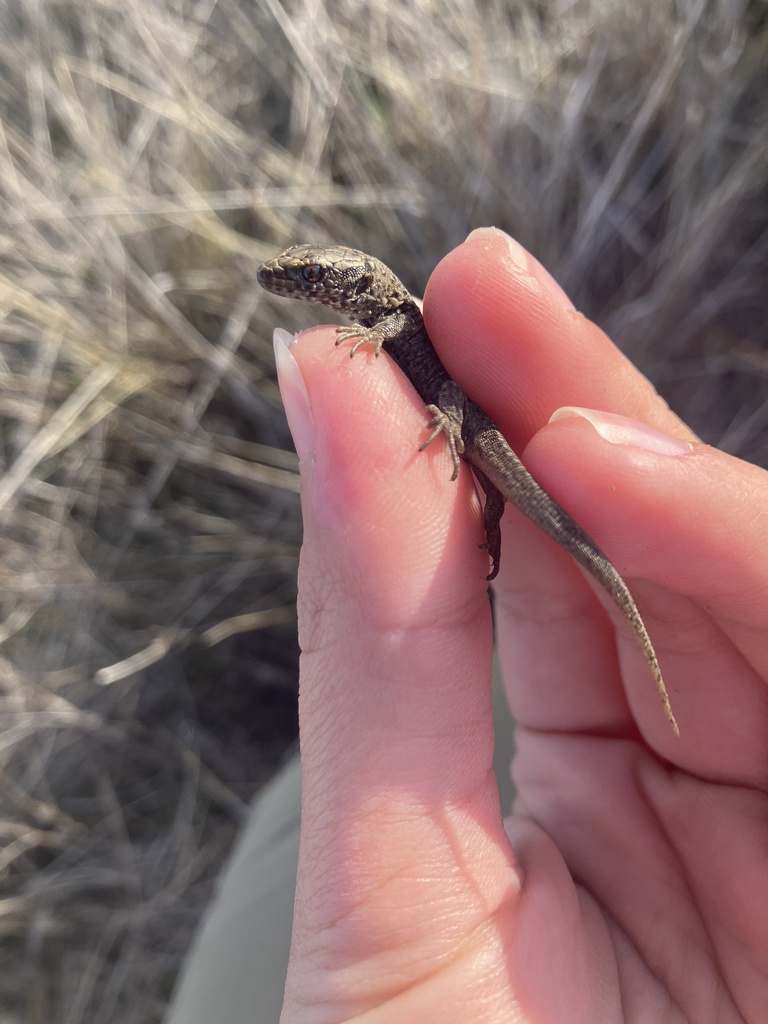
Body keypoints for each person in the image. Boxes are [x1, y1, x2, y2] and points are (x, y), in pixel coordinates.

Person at [167, 228, 768, 1023]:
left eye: (308, 275)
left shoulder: (388, 315)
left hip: (468, 417)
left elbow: (426, 367)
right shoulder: (383, 310)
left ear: (349, 287)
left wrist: (445, 416)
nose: (295, 282)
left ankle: (535, 561)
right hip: (472, 434)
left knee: (295, 806)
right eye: (301, 276)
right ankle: (522, 553)